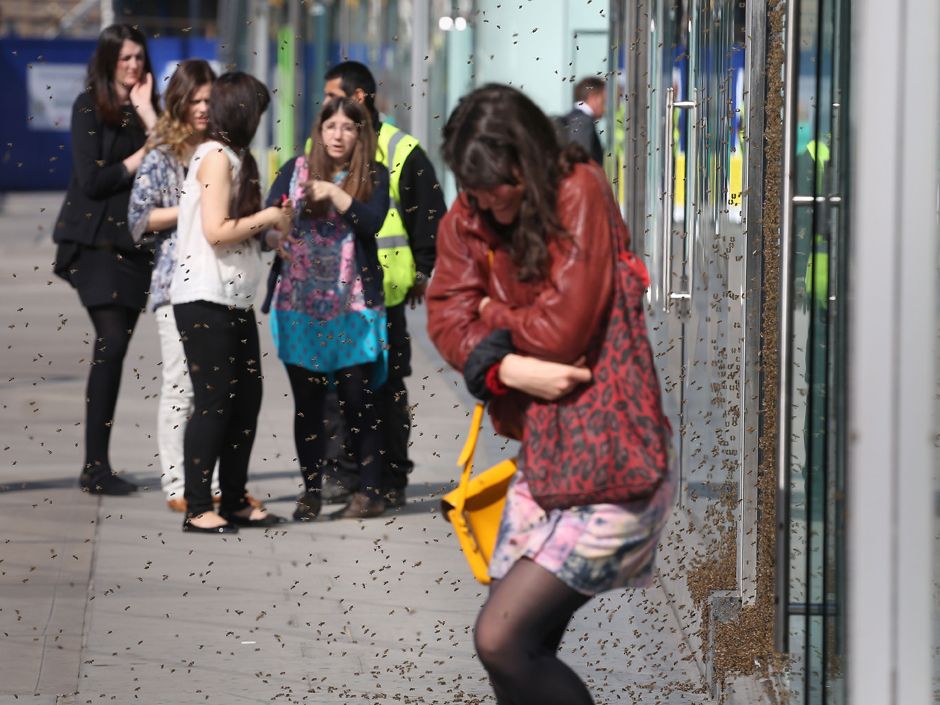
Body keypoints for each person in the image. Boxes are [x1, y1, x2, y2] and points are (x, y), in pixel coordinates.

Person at [426, 84, 674, 705]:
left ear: (529, 161)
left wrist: (493, 314)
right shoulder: (470, 216)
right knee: (517, 654)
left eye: (499, 186)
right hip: (548, 459)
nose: (486, 202)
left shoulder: (578, 190)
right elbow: (446, 317)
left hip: (614, 458)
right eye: (473, 188)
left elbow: (562, 333)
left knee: (502, 640)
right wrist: (510, 368)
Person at [169, 72, 292, 534]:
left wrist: (270, 231)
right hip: (204, 296)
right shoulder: (216, 156)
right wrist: (267, 216)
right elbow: (216, 230)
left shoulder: (233, 157)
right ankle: (200, 505)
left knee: (246, 400)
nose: (259, 119)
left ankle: (236, 497)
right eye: (256, 110)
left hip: (230, 296)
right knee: (215, 402)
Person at [320, 61, 445, 508]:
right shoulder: (325, 143)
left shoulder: (401, 149)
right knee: (334, 388)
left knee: (387, 391)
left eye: (332, 94)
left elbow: (430, 216)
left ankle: (389, 477)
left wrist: (423, 271)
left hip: (386, 294)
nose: (325, 106)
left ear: (358, 99)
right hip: (332, 295)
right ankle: (341, 473)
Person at [262, 97, 391, 521]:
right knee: (309, 404)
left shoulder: (372, 175)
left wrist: (336, 193)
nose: (338, 134)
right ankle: (311, 491)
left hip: (352, 308)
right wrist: (274, 229)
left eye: (348, 127)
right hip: (299, 307)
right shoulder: (296, 169)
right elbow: (268, 222)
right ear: (319, 130)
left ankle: (369, 491)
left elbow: (372, 222)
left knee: (358, 400)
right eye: (330, 126)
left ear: (361, 134)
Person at [53, 24, 160, 496]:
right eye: (125, 58)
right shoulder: (87, 107)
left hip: (134, 245)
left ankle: (97, 463)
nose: (134, 66)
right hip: (94, 242)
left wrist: (149, 113)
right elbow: (92, 180)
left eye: (139, 57)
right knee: (111, 343)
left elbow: (175, 164)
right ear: (108, 61)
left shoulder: (145, 112)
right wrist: (141, 155)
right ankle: (94, 465)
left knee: (113, 354)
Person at [128, 59, 221, 512]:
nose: (204, 108)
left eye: (210, 99)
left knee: (216, 389)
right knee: (181, 385)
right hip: (174, 283)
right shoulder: (162, 155)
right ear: (179, 102)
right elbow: (138, 219)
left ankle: (212, 480)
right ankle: (176, 484)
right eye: (196, 100)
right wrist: (191, 207)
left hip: (218, 281)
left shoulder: (222, 150)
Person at [558, 76, 606, 164]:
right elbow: (581, 162)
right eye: (604, 101)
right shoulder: (583, 122)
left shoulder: (573, 118)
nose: (605, 108)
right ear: (593, 97)